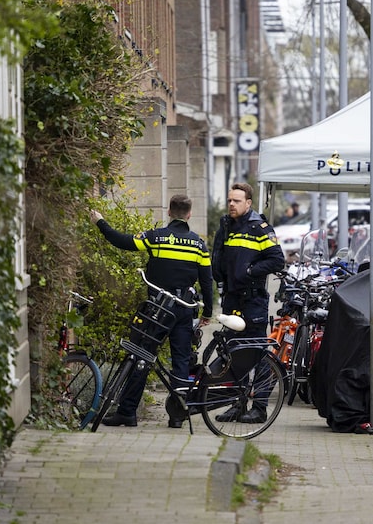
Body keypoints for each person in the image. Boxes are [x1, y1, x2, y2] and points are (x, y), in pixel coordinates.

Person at [91, 194, 214, 428]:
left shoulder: (156, 237)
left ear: (169, 212)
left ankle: (127, 412)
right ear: (189, 215)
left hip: (158, 309)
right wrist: (207, 312)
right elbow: (207, 281)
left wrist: (100, 222)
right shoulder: (199, 245)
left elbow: (122, 241)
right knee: (181, 361)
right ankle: (177, 416)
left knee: (142, 356)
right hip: (184, 310)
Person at [211, 182, 285, 423]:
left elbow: (277, 260)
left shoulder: (259, 228)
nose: (232, 204)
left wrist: (251, 271)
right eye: (230, 200)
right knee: (233, 353)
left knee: (256, 353)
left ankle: (259, 408)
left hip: (253, 300)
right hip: (232, 299)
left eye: (237, 201)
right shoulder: (226, 226)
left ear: (248, 203)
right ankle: (237, 403)